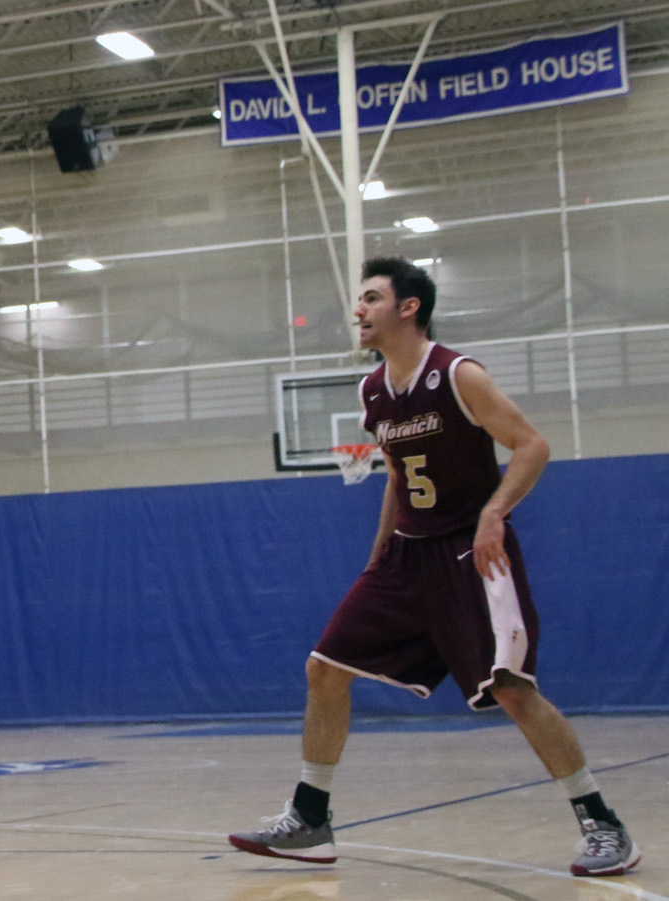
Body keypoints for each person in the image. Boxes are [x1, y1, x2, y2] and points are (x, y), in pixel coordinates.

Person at [229, 258, 640, 878]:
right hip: (406, 556)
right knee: (324, 669)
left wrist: (494, 513)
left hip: (471, 554)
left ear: (408, 307)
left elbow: (532, 446)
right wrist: (378, 559)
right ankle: (310, 818)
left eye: (370, 298)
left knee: (511, 689)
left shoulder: (457, 374)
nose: (358, 310)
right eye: (358, 301)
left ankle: (603, 824)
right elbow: (396, 476)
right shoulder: (372, 391)